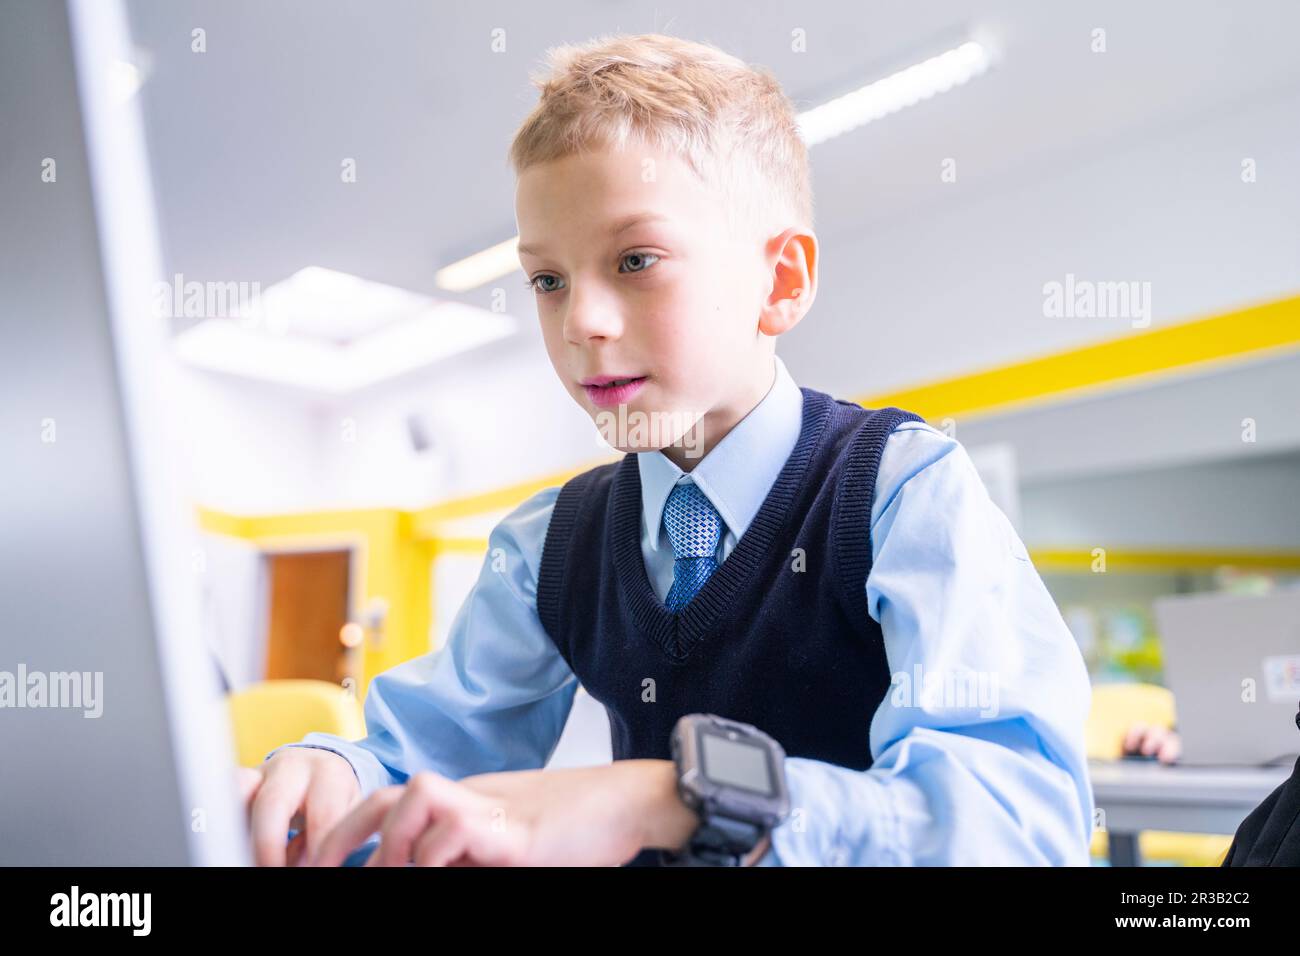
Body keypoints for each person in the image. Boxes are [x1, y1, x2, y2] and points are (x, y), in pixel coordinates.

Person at [241, 33, 1095, 867]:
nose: (581, 322)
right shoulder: (552, 542)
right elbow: (422, 750)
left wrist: (671, 801)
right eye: (548, 280)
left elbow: (1018, 820)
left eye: (636, 259)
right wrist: (339, 771)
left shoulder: (902, 492)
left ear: (781, 282)